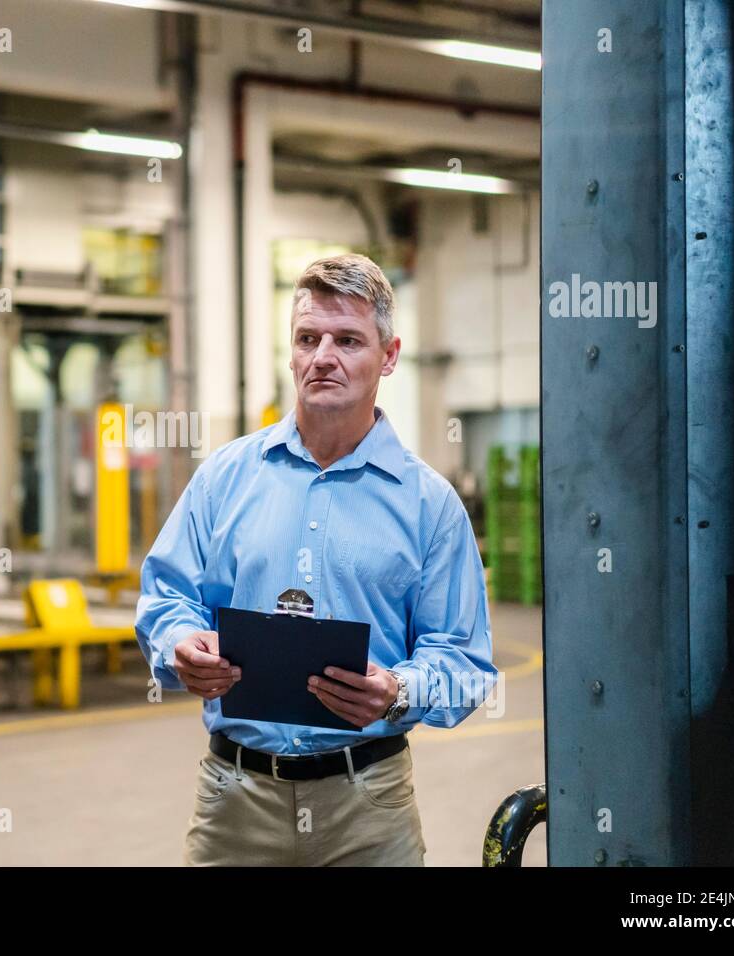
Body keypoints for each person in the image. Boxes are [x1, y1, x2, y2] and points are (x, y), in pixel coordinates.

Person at [135, 253, 496, 866]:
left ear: (389, 355)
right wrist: (179, 645)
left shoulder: (429, 506)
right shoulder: (225, 478)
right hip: (235, 803)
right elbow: (167, 595)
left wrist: (398, 691)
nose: (323, 356)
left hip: (368, 807)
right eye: (308, 339)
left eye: (347, 340)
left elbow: (463, 659)